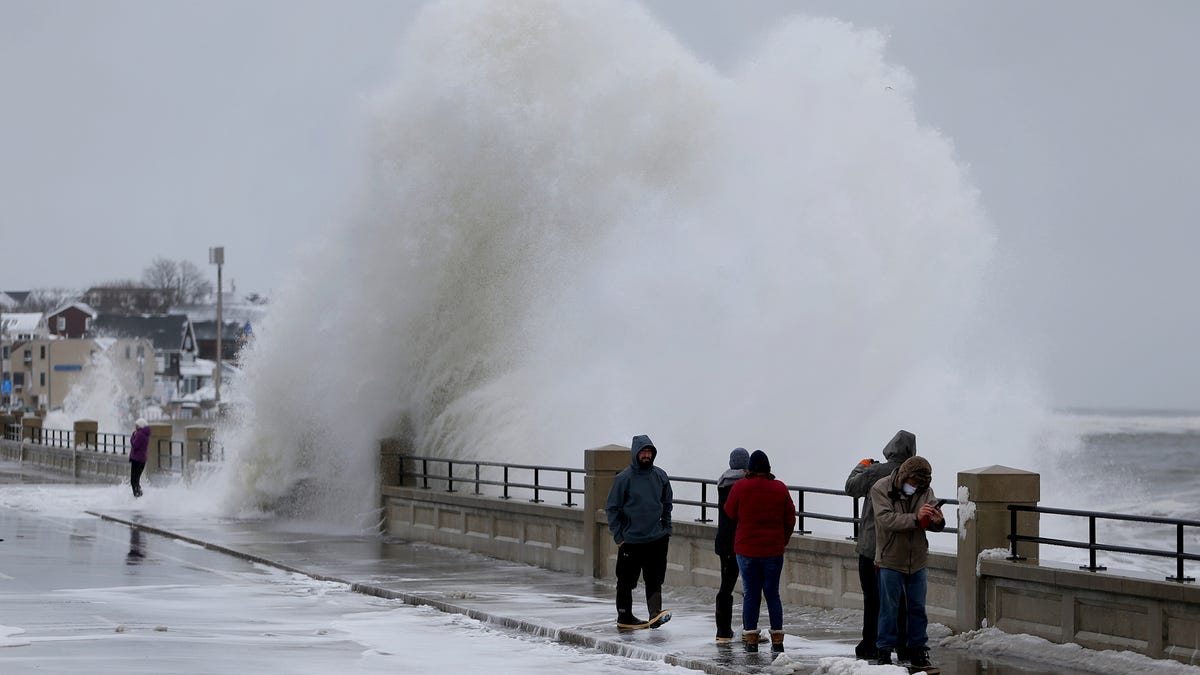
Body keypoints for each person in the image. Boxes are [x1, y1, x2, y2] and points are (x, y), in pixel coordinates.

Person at [844, 430, 915, 661]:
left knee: (872, 599)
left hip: (870, 547)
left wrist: (861, 466)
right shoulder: (912, 477)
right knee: (901, 600)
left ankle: (870, 645)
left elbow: (851, 488)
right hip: (900, 549)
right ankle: (903, 645)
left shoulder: (874, 471)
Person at [871, 455, 945, 669]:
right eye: (913, 482)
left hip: (918, 559)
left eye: (921, 483)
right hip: (890, 558)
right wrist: (916, 517)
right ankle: (884, 651)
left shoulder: (925, 490)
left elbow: (927, 521)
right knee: (889, 608)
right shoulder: (881, 488)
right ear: (904, 476)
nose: (916, 486)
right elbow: (885, 519)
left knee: (917, 608)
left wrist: (936, 521)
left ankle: (918, 651)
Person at [723, 450, 796, 653]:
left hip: (746, 550)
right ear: (768, 468)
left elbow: (729, 511)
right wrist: (784, 539)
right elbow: (790, 517)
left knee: (751, 595)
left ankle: (751, 639)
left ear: (750, 469)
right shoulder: (779, 487)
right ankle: (778, 640)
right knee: (772, 594)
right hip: (773, 550)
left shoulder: (740, 487)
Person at [605, 434, 673, 629]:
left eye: (649, 452)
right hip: (631, 540)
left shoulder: (660, 475)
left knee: (655, 579)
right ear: (635, 453)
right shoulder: (623, 478)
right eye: (643, 452)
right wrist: (618, 536)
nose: (646, 455)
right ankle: (625, 617)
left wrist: (666, 528)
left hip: (657, 539)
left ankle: (655, 614)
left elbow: (667, 503)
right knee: (626, 581)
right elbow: (612, 508)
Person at [714, 447, 750, 642]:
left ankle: (723, 632)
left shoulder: (722, 481)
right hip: (742, 542)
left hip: (724, 542)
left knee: (725, 587)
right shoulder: (744, 485)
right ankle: (748, 630)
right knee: (749, 588)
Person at [129, 418, 150, 498]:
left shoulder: (140, 434)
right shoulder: (144, 433)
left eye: (136, 425)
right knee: (136, 480)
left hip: (137, 460)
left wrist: (132, 437)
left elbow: (134, 445)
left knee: (133, 480)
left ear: (140, 425)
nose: (135, 426)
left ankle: (138, 496)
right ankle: (139, 496)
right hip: (141, 459)